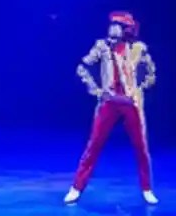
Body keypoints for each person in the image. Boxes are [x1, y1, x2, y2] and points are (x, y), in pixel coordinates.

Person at [64, 11, 158, 205]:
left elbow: (151, 73)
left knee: (141, 148)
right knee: (93, 146)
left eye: (117, 25)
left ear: (125, 30)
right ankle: (76, 188)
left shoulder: (138, 48)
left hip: (130, 103)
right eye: (112, 25)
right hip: (109, 102)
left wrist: (139, 89)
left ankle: (147, 189)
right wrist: (96, 90)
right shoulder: (102, 46)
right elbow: (82, 66)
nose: (112, 28)